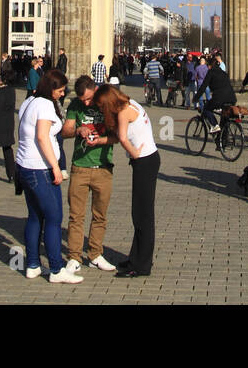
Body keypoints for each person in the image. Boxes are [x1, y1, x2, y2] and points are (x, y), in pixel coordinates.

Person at [16, 70, 82, 283]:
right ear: (50, 88)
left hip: (25, 166)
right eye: (60, 90)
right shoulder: (44, 105)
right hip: (40, 168)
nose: (62, 94)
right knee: (54, 218)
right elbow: (42, 137)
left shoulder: (30, 100)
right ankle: (56, 269)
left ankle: (33, 265)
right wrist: (55, 167)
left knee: (35, 216)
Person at [93, 84, 159, 278]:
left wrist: (134, 154)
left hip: (144, 161)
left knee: (142, 216)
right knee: (139, 213)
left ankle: (142, 266)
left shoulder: (122, 113)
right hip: (149, 160)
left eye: (100, 106)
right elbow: (118, 137)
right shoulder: (131, 104)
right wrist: (99, 140)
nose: (100, 109)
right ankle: (135, 258)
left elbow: (122, 138)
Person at [61, 75, 117, 274]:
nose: (86, 102)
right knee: (76, 216)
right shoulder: (76, 105)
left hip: (103, 166)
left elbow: (117, 136)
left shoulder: (106, 103)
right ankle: (74, 257)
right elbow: (65, 131)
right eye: (82, 99)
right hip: (80, 167)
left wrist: (99, 140)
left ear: (95, 90)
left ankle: (95, 254)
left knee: (100, 215)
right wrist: (78, 129)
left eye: (88, 99)